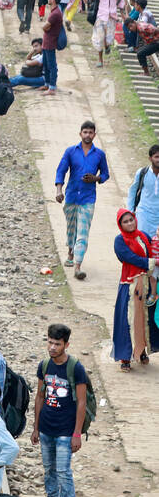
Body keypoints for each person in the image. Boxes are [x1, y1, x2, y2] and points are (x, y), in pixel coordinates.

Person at [31, 324, 90, 497]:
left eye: (57, 344)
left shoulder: (76, 368)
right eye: (50, 342)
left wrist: (77, 433)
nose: (52, 347)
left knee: (63, 472)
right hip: (46, 428)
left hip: (66, 430)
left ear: (66, 344)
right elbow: (40, 397)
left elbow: (81, 402)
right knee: (49, 470)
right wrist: (36, 427)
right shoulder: (44, 365)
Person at [55, 120, 110, 281]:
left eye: (90, 132)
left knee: (83, 231)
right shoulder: (71, 151)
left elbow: (105, 174)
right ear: (80, 134)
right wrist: (59, 190)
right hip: (71, 195)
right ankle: (71, 251)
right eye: (85, 132)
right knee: (71, 227)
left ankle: (78, 266)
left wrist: (96, 178)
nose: (87, 135)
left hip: (88, 198)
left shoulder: (99, 154)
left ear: (94, 134)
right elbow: (61, 170)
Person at [111, 209, 157, 371]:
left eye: (131, 220)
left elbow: (154, 248)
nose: (130, 223)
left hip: (145, 283)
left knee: (143, 318)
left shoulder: (143, 235)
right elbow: (128, 258)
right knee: (127, 319)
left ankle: (141, 351)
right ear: (120, 224)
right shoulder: (120, 240)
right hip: (129, 284)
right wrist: (150, 262)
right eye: (126, 221)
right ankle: (125, 357)